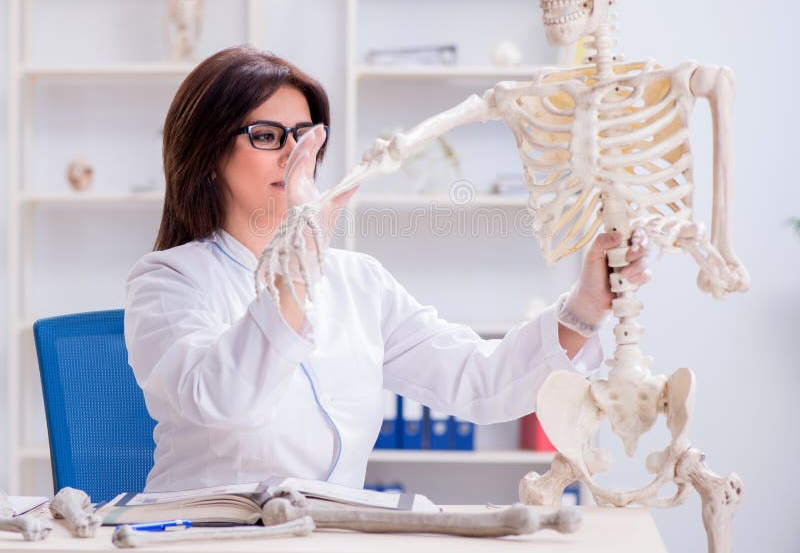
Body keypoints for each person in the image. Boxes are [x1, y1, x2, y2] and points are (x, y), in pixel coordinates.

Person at [125, 46, 649, 493]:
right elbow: (227, 402)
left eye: (305, 137)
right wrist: (301, 252)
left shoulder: (359, 282)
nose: (294, 156)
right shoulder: (167, 283)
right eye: (268, 136)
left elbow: (480, 383)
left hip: (324, 539)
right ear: (208, 153)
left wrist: (585, 308)